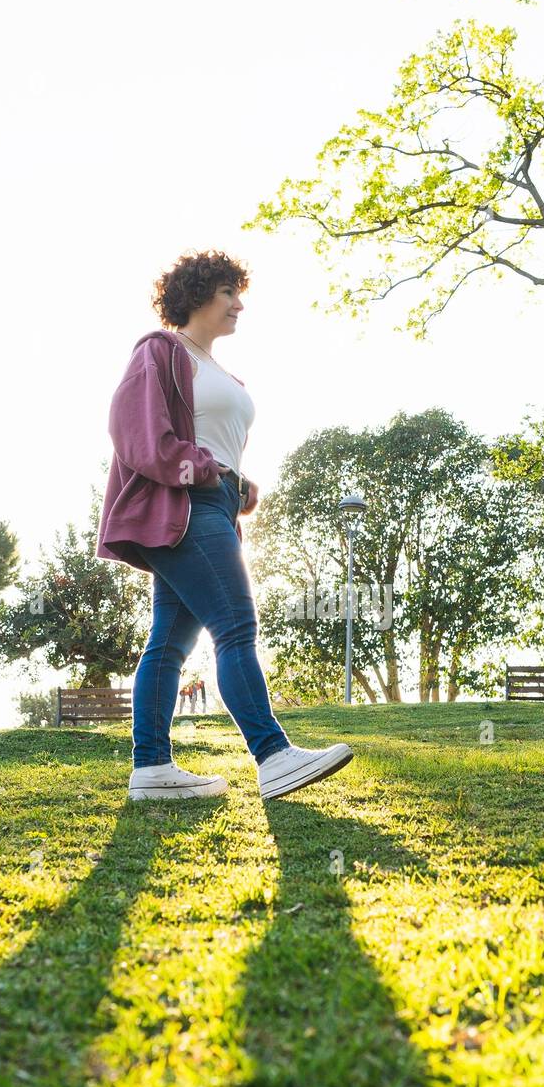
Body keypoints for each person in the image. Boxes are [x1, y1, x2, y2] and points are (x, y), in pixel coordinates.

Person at [96, 248, 353, 801]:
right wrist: (207, 473)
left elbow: (214, 442)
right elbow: (135, 434)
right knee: (235, 628)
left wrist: (238, 482)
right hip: (182, 507)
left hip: (215, 506)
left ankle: (152, 769)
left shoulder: (222, 371)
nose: (239, 305)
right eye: (228, 294)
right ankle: (273, 755)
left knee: (167, 644)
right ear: (196, 296)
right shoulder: (160, 351)